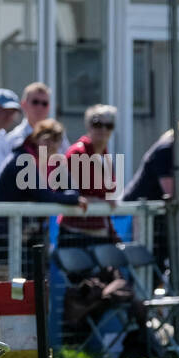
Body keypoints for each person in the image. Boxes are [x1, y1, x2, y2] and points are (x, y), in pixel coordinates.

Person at [0, 118, 87, 282]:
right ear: (36, 138)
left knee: (35, 276)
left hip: (26, 233)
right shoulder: (22, 159)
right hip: (0, 232)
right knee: (18, 277)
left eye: (56, 140)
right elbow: (45, 197)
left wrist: (73, 197)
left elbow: (72, 190)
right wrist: (73, 199)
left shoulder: (53, 164)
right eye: (47, 139)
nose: (51, 145)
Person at [122, 109, 179, 269]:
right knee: (145, 267)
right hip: (142, 217)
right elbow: (173, 192)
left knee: (173, 265)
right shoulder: (166, 150)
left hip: (172, 219)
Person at [59, 104, 120, 249]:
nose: (103, 129)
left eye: (109, 125)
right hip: (76, 231)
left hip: (100, 230)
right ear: (88, 126)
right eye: (98, 124)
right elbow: (65, 190)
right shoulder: (77, 153)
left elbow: (108, 194)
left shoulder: (105, 155)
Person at [8, 82, 69, 153]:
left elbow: (67, 160)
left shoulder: (58, 135)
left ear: (48, 107)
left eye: (44, 103)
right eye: (35, 102)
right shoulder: (14, 138)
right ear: (24, 104)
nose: (40, 107)